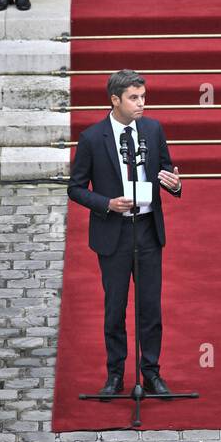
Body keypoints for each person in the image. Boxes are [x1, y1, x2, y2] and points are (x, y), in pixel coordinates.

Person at [67, 68, 182, 397]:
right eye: (134, 98)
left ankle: (151, 372)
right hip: (113, 233)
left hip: (147, 230)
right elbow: (75, 188)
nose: (141, 104)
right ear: (115, 100)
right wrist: (106, 203)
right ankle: (115, 374)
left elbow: (165, 170)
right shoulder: (92, 138)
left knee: (151, 307)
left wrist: (174, 185)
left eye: (143, 97)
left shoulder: (152, 129)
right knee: (115, 308)